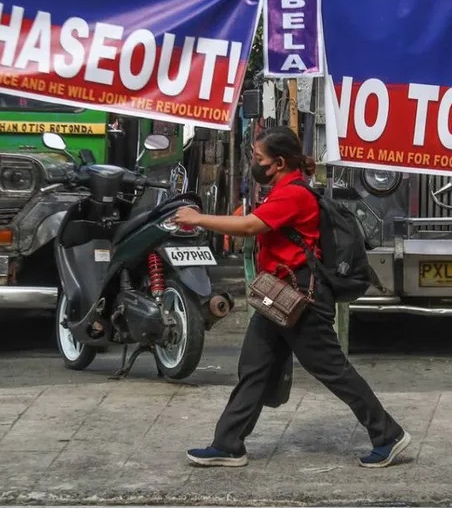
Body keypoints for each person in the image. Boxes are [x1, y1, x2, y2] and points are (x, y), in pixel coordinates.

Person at [175, 126, 411, 469]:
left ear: (279, 163)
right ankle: (228, 445)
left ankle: (387, 434)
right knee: (254, 368)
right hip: (277, 296)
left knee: (333, 370)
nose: (254, 163)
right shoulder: (283, 190)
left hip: (301, 301)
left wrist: (198, 219)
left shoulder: (293, 195)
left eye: (258, 158)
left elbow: (249, 227)